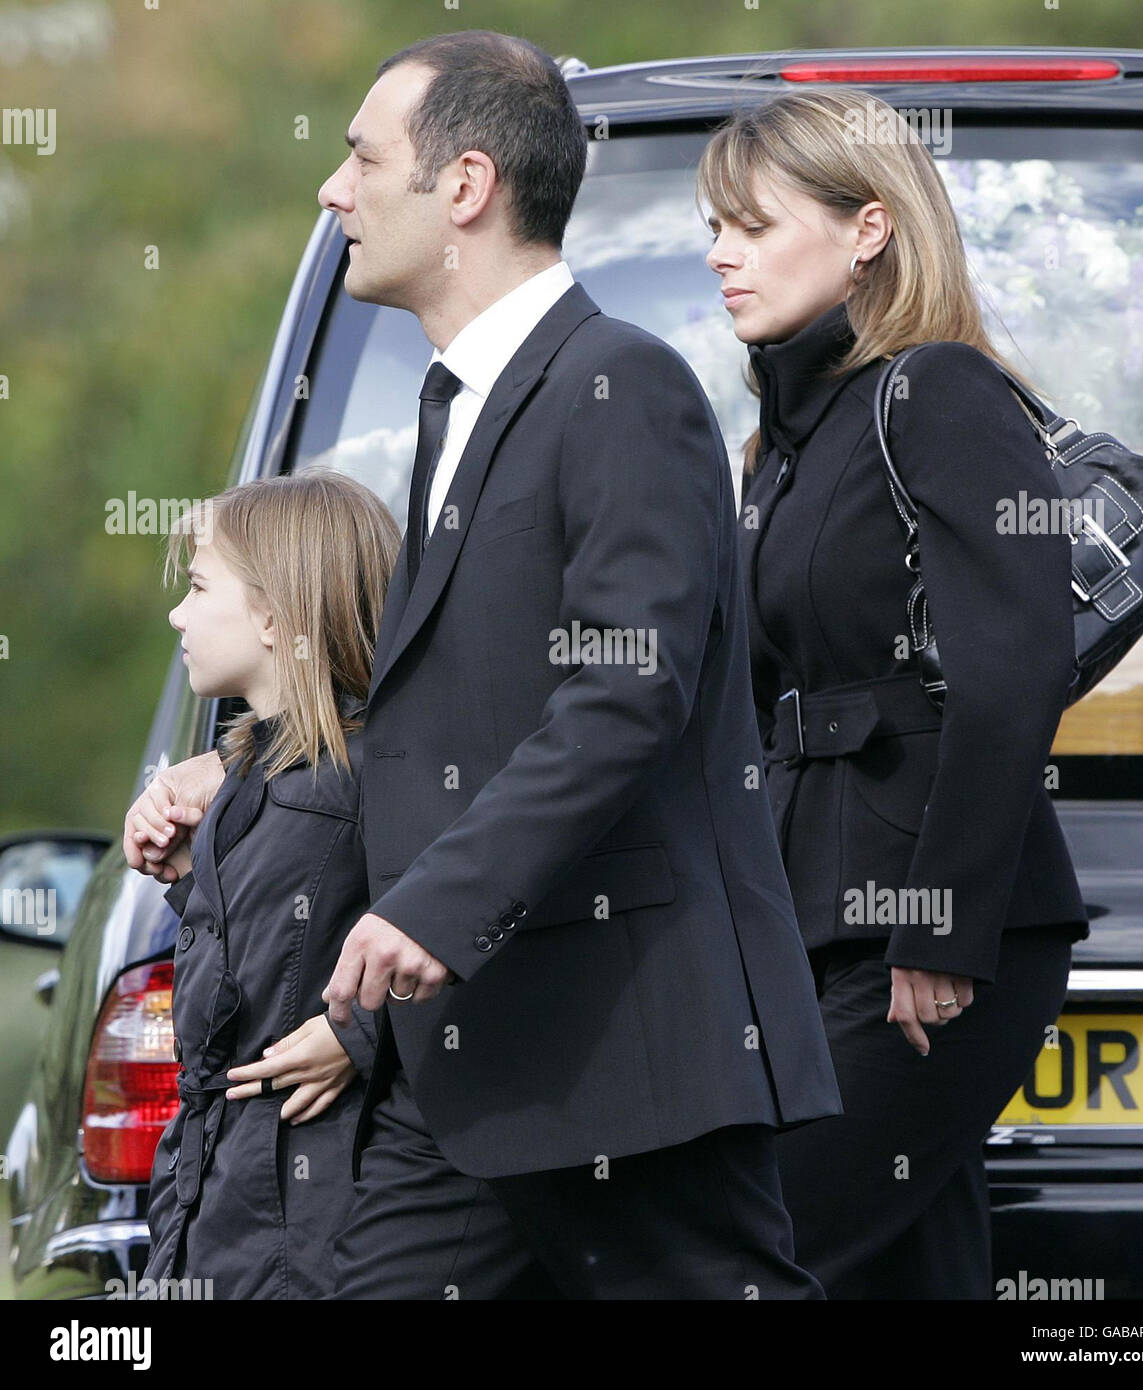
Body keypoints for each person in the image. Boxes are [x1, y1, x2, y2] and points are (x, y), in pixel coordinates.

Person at [125, 31, 842, 1300]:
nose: (332, 190)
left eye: (360, 158)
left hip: (628, 1055)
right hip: (474, 1061)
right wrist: (233, 779)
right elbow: (452, 718)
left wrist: (429, 912)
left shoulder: (621, 382)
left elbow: (627, 691)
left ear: (463, 187)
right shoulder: (459, 406)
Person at [699, 87, 1090, 1298]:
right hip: (812, 928)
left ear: (869, 229)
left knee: (759, 1252)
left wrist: (939, 924)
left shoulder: (940, 394)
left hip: (934, 930)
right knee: (907, 1273)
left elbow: (1013, 670)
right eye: (715, 226)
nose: (721, 253)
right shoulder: (781, 449)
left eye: (753, 225)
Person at [137, 469, 398, 1299]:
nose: (178, 613)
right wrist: (193, 880)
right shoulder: (261, 779)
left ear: (276, 613)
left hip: (297, 1223)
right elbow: (277, 960)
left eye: (199, 587)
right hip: (225, 1199)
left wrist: (363, 1036)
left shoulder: (360, 786)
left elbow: (467, 941)